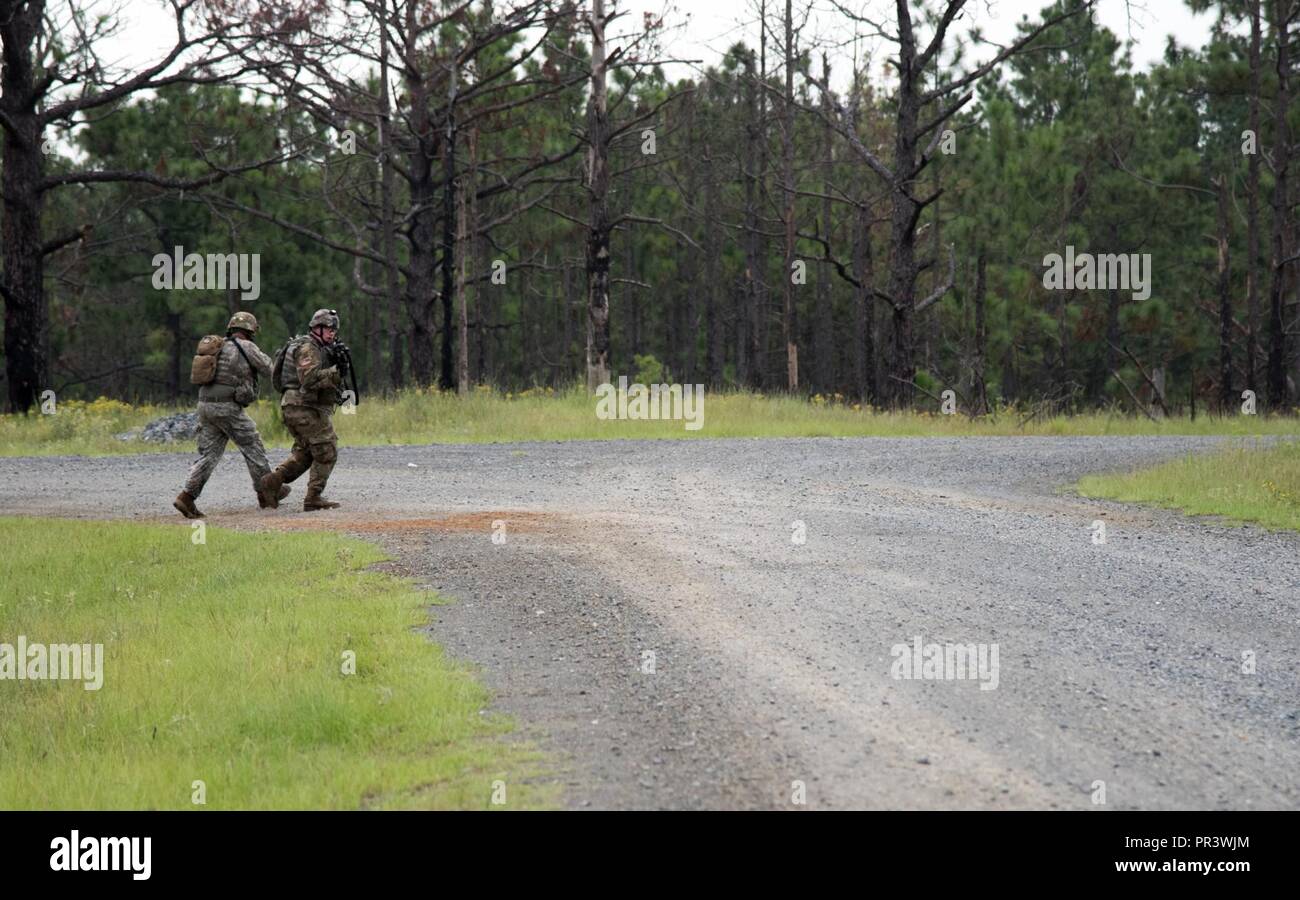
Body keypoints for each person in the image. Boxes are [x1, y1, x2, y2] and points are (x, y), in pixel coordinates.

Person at [174, 311, 289, 518]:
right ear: (250, 330)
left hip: (205, 406)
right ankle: (267, 492)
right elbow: (270, 370)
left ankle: (186, 497)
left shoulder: (218, 347)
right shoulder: (247, 347)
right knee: (252, 445)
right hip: (227, 408)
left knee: (208, 456)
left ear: (231, 328)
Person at [260, 308, 348, 511]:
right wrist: (335, 372)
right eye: (328, 329)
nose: (332, 333)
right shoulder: (308, 348)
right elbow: (308, 379)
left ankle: (273, 482)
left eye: (334, 330)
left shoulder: (316, 346)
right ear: (316, 328)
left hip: (299, 407)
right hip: (303, 407)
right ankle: (313, 498)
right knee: (327, 450)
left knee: (307, 453)